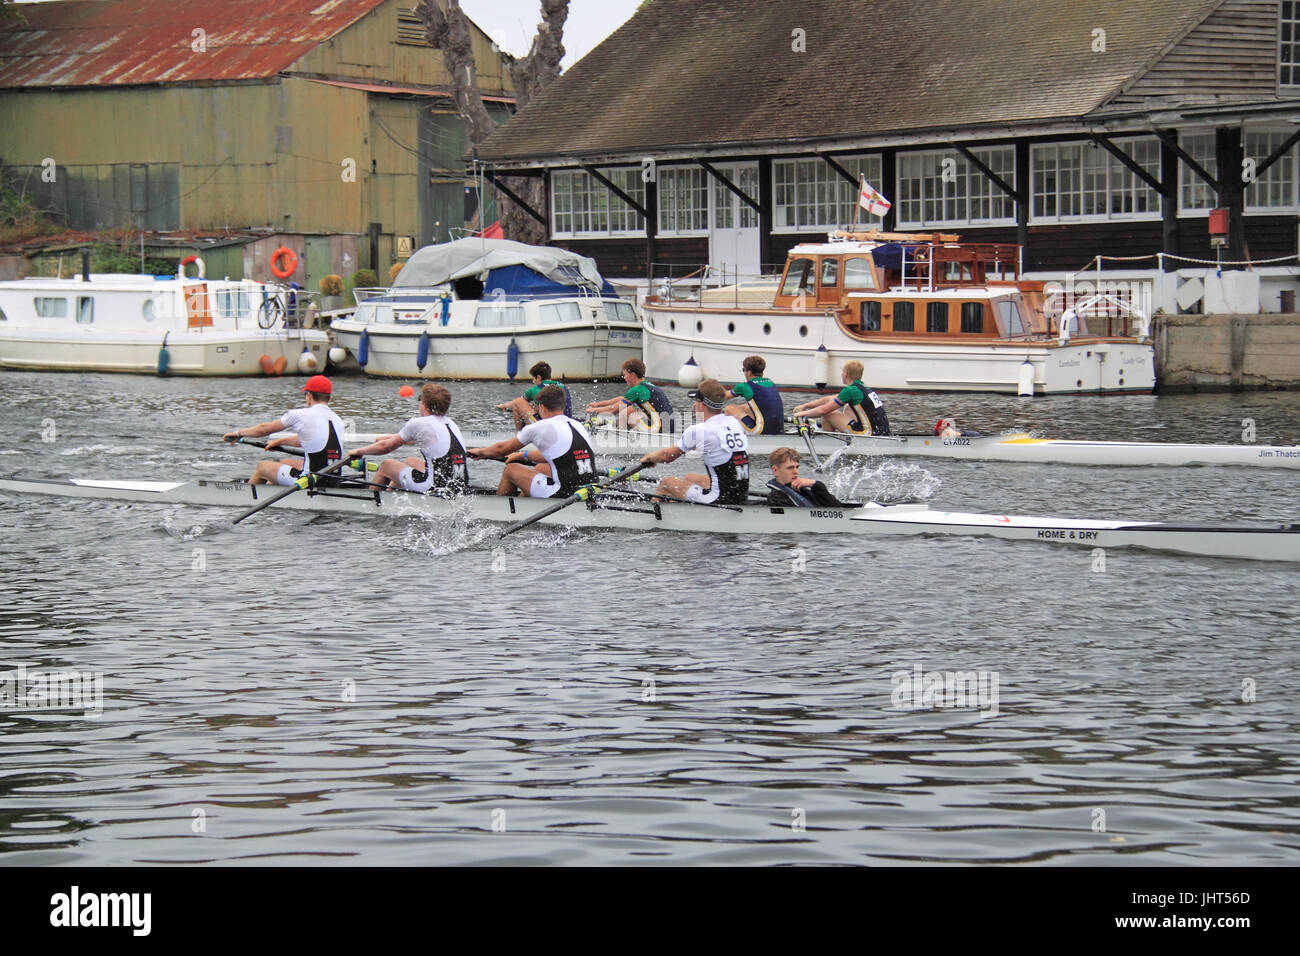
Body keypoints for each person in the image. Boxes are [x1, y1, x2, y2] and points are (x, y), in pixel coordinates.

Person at [469, 385, 598, 497]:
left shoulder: (540, 427)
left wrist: (481, 452)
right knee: (542, 467)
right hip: (588, 489)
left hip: (565, 493)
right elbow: (555, 455)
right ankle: (523, 507)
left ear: (541, 407)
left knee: (511, 470)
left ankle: (498, 512)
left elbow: (501, 449)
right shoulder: (578, 425)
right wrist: (521, 455)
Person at [638, 379, 749, 504]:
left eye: (696, 401)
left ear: (702, 405)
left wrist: (648, 458)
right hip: (740, 494)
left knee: (666, 483)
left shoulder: (699, 430)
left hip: (720, 499)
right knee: (690, 478)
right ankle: (678, 504)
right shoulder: (733, 422)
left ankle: (658, 517)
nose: (693, 405)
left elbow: (667, 456)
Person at [345, 383, 469, 495]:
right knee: (410, 461)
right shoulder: (451, 423)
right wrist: (386, 438)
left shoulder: (418, 423)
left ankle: (371, 504)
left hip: (435, 487)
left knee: (386, 465)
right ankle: (390, 495)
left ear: (424, 404)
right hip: (458, 484)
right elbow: (410, 440)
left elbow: (385, 447)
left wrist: (358, 452)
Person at [222, 374, 347, 485]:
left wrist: (238, 433)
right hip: (333, 479)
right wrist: (280, 441)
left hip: (309, 482)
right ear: (329, 398)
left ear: (309, 396)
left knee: (262, 467)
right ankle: (271, 489)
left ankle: (245, 498)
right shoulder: (338, 421)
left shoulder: (300, 415)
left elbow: (264, 429)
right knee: (285, 462)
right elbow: (312, 440)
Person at [791, 360, 890, 435]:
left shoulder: (850, 390)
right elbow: (829, 399)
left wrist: (801, 414)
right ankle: (835, 435)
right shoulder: (863, 388)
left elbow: (823, 410)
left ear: (846, 374)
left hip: (869, 434)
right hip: (881, 432)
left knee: (828, 413)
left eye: (842, 372)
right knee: (847, 407)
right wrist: (805, 405)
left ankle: (828, 444)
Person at [585, 358, 675, 432]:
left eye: (625, 375)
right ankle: (619, 429)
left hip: (660, 429)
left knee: (626, 411)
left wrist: (592, 410)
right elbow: (622, 399)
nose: (624, 378)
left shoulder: (637, 389)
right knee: (629, 410)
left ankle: (618, 438)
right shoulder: (646, 386)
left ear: (632, 375)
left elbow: (613, 409)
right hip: (667, 428)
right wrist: (598, 404)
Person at [496, 361, 572, 429]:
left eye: (533, 378)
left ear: (538, 377)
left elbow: (518, 402)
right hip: (567, 423)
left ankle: (521, 435)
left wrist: (503, 406)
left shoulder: (534, 389)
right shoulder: (562, 386)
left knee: (516, 406)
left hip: (548, 426)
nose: (533, 381)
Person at [723, 355, 785, 435]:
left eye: (743, 370)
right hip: (778, 430)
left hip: (760, 431)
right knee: (746, 407)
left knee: (730, 408)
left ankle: (726, 436)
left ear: (748, 372)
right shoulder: (771, 383)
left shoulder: (745, 386)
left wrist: (704, 397)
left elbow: (721, 397)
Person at [765, 447, 846, 507]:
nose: (795, 472)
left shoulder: (803, 491)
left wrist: (816, 484)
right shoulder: (775, 498)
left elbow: (838, 509)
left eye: (797, 467)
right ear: (775, 470)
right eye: (790, 468)